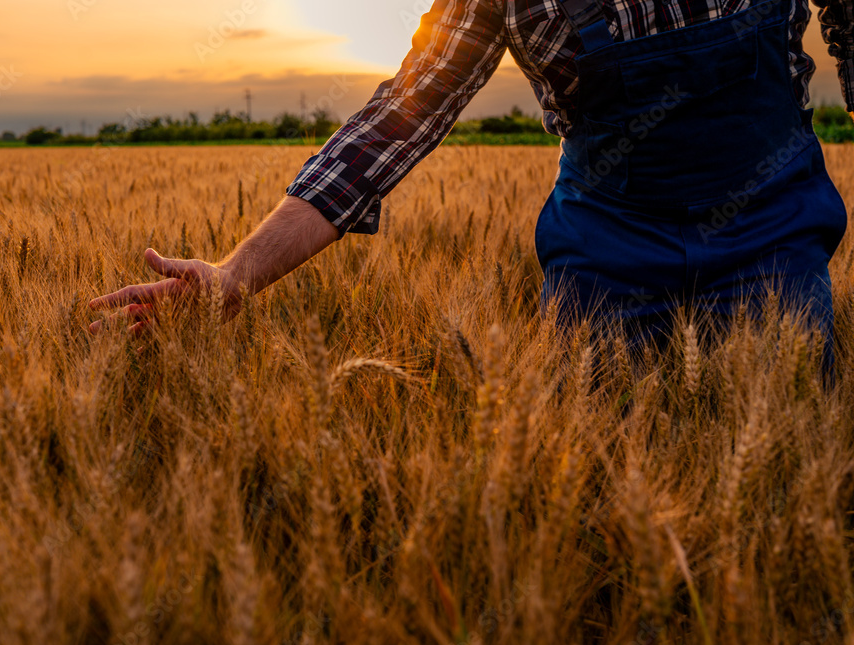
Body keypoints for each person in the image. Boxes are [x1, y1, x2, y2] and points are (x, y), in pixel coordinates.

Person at [90, 0, 853, 364]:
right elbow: (393, 125)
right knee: (585, 502)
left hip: (772, 238)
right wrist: (233, 277)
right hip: (609, 259)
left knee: (786, 475)